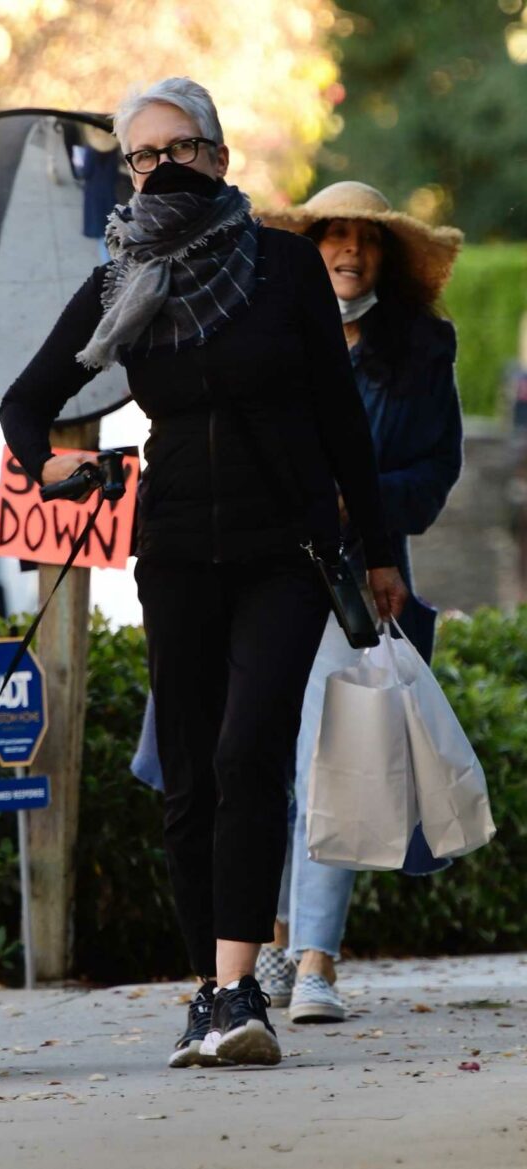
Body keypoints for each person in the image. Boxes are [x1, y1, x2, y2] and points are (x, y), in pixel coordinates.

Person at [0, 79, 407, 1069]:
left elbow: (343, 418)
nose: (162, 168)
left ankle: (236, 989)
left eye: (181, 150)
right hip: (175, 546)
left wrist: (383, 546)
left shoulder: (282, 266)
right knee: (187, 779)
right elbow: (25, 401)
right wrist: (56, 464)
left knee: (245, 754)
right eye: (143, 156)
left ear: (220, 158)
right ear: (128, 173)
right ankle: (206, 991)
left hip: (288, 545)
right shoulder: (121, 277)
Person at [254, 181, 464, 1023]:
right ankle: (265, 947)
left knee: (332, 768)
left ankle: (315, 965)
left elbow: (435, 473)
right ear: (309, 249)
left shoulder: (422, 347)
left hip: (356, 588)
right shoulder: (273, 334)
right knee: (258, 767)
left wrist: (357, 499)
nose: (345, 250)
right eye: (330, 235)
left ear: (388, 255)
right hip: (263, 575)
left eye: (363, 239)